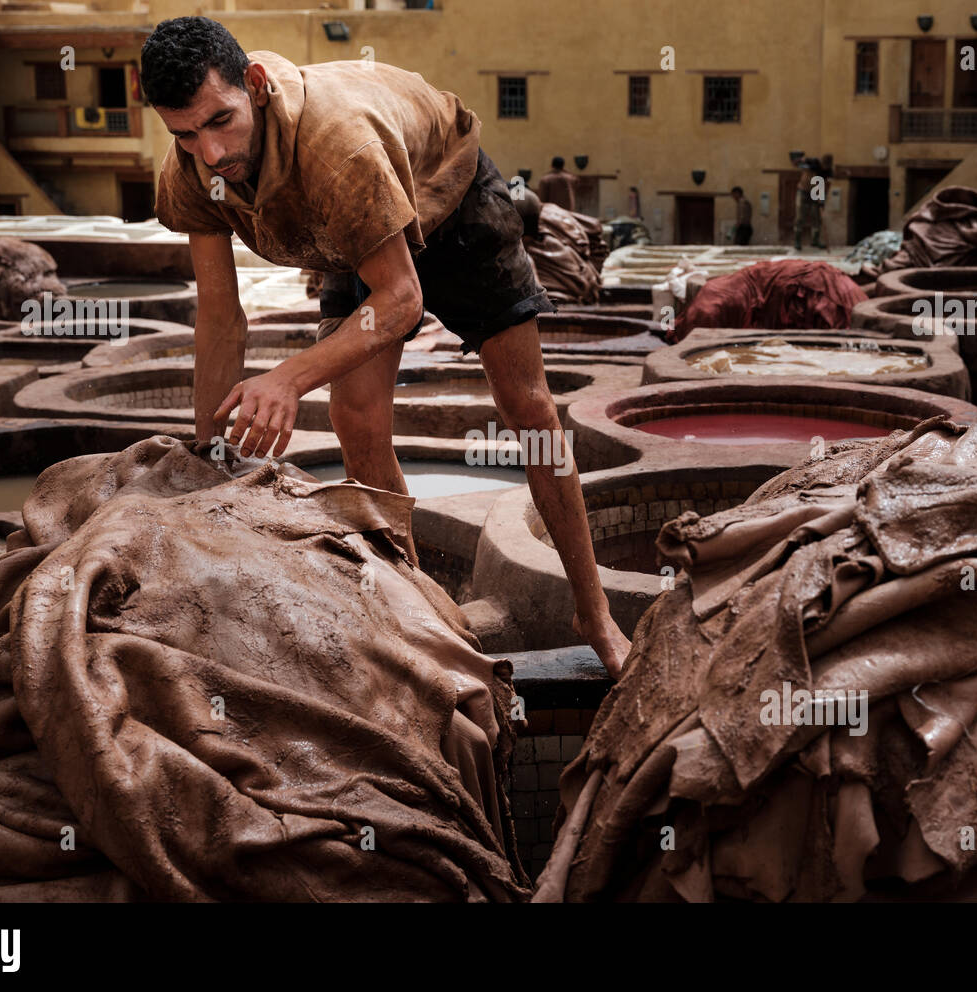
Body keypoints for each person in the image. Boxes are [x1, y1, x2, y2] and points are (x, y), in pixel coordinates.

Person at [141, 18, 631, 676]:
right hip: (356, 232)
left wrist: (287, 379)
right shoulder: (195, 174)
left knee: (530, 409)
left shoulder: (335, 145)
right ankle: (426, 617)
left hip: (450, 197)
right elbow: (222, 315)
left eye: (220, 121)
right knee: (356, 418)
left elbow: (401, 302)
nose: (210, 152)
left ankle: (593, 613)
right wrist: (205, 453)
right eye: (185, 134)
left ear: (254, 86)